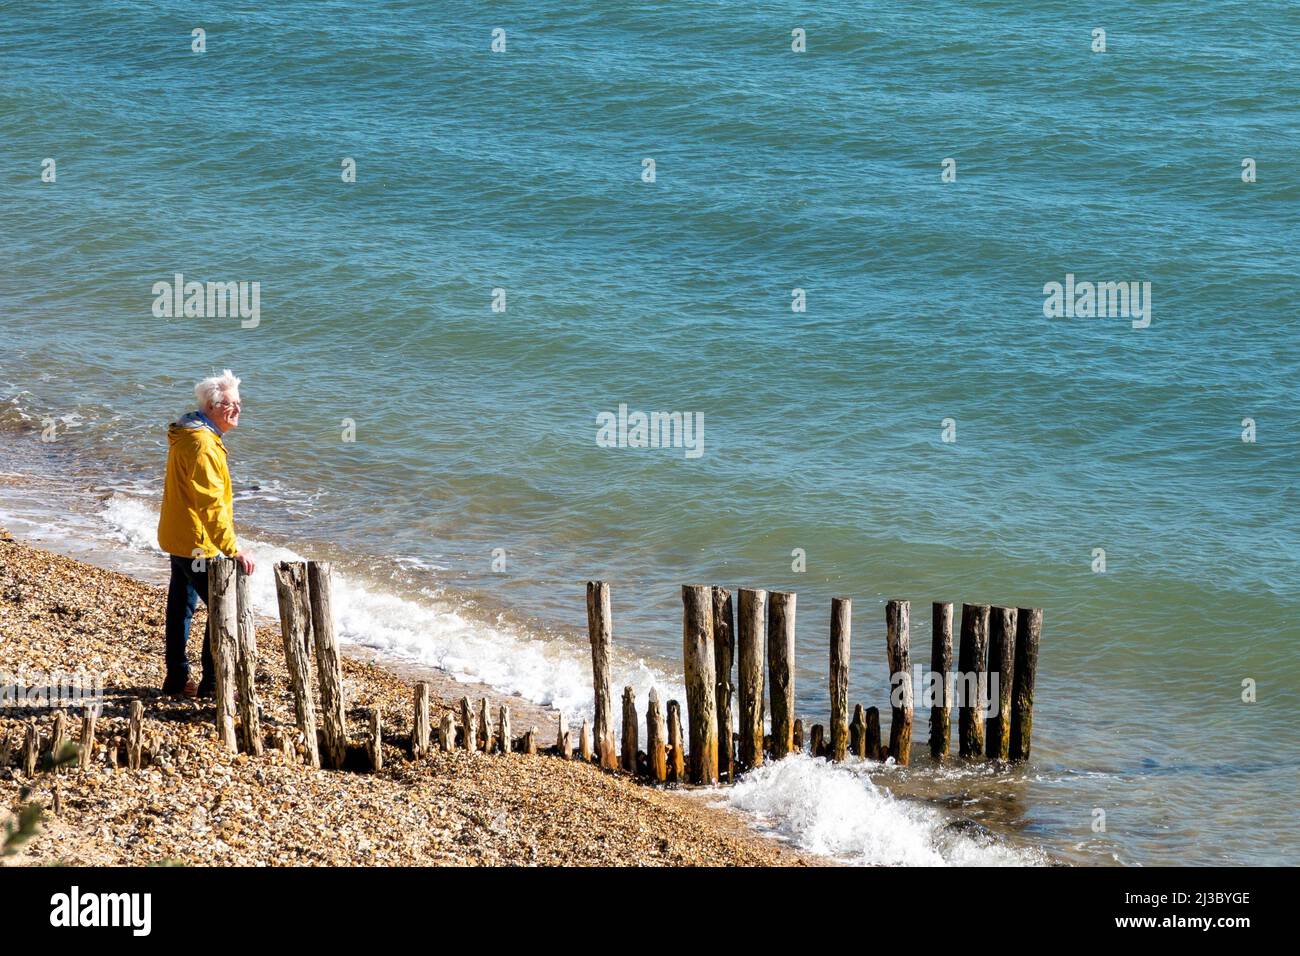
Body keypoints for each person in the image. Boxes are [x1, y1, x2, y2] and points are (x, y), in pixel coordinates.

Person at [156, 370, 255, 697]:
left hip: (179, 535)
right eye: (230, 405)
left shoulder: (191, 434)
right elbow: (210, 503)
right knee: (222, 605)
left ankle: (177, 678)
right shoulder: (202, 445)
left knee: (181, 605)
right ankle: (213, 684)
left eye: (239, 403)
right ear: (212, 407)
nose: (238, 410)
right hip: (198, 544)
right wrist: (231, 549)